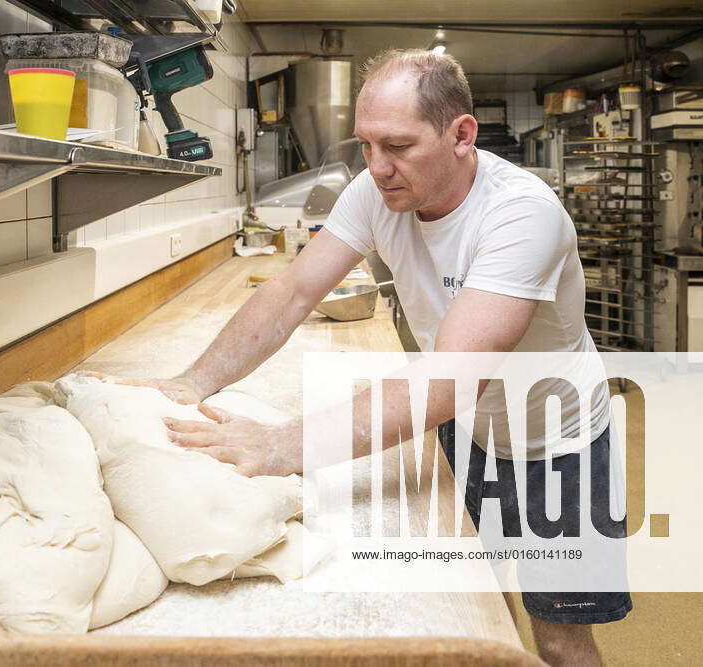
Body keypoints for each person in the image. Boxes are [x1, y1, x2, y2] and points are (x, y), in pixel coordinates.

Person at [109, 49, 630, 665]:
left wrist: (279, 447)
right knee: (485, 601)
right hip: (469, 431)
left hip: (555, 443)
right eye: (365, 145)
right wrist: (190, 384)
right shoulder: (377, 191)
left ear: (462, 134)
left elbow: (449, 380)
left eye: (399, 146)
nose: (377, 167)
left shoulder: (522, 216)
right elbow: (293, 291)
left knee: (562, 635)